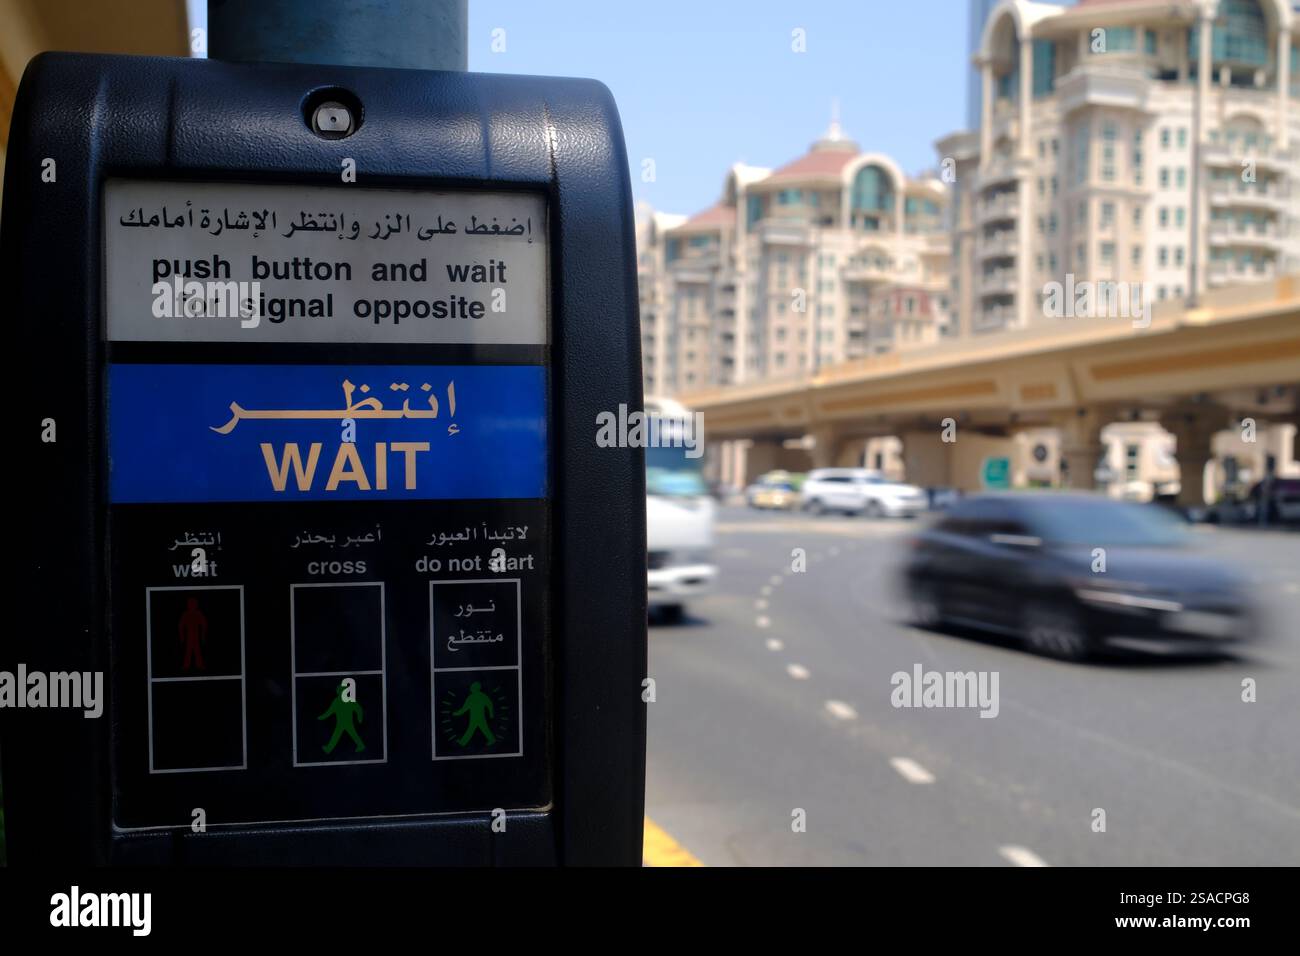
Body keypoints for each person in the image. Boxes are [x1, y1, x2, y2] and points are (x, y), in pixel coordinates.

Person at [318, 681, 366, 754]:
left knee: (346, 734)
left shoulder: (349, 700)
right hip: (340, 723)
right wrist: (322, 717)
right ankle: (329, 749)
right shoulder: (337, 701)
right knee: (338, 735)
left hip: (347, 722)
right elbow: (330, 711)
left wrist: (360, 718)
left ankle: (329, 749)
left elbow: (358, 709)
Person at [453, 681, 495, 746]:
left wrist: (457, 713)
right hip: (478, 717)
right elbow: (490, 704)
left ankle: (462, 742)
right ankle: (492, 740)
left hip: (476, 717)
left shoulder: (471, 697)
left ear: (474, 688)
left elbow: (464, 708)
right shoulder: (482, 696)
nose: (471, 688)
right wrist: (491, 714)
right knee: (480, 729)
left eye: (472, 687)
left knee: (473, 729)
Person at [178, 597, 208, 671]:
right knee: (188, 650)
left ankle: (199, 665)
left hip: (196, 635)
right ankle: (186, 666)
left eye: (193, 604)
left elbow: (204, 624)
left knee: (197, 650)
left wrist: (203, 636)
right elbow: (181, 625)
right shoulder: (186, 614)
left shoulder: (198, 613)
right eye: (190, 604)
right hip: (189, 635)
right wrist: (182, 636)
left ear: (195, 605)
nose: (192, 606)